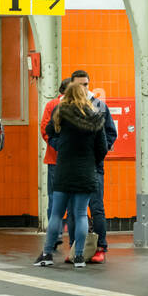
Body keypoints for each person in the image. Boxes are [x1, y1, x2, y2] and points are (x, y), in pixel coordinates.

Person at [34, 82, 107, 267]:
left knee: (57, 214)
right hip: (86, 171)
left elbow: (49, 132)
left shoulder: (60, 112)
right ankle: (79, 256)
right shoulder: (96, 117)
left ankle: (47, 254)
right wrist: (92, 160)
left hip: (64, 169)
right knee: (81, 214)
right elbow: (102, 148)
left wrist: (61, 147)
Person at [68, 69, 118, 262]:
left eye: (86, 84)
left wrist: (98, 153)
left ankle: (101, 247)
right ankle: (75, 248)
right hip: (73, 166)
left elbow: (110, 133)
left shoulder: (100, 106)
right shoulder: (65, 107)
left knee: (96, 207)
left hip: (94, 166)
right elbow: (53, 133)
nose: (83, 88)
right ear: (72, 85)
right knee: (73, 210)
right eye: (79, 84)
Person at [41, 78, 71, 250]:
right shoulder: (82, 106)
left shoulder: (51, 105)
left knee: (54, 197)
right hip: (73, 160)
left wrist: (57, 146)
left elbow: (45, 129)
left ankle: (55, 234)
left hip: (54, 159)